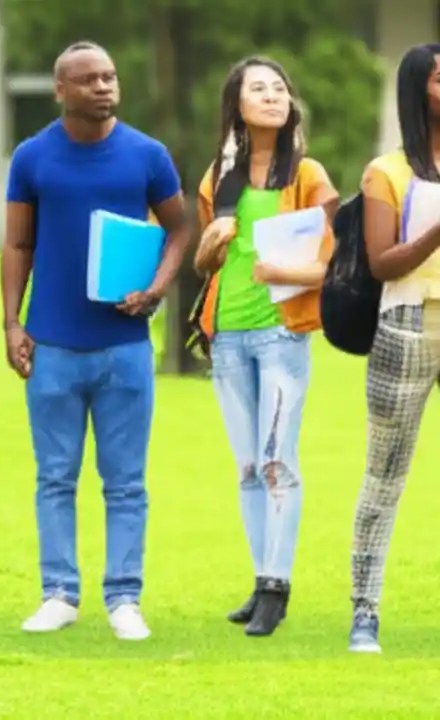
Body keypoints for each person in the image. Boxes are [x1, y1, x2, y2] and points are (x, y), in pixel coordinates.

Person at [2, 41, 189, 641]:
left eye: (110, 76)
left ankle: (124, 598)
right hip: (52, 346)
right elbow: (18, 245)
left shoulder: (147, 155)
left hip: (126, 347)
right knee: (55, 476)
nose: (104, 86)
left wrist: (156, 289)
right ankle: (59, 592)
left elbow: (182, 230)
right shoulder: (32, 158)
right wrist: (12, 322)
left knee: (126, 481)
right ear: (62, 90)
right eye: (89, 79)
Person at [191, 57, 337, 638]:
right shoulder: (217, 180)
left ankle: (278, 586)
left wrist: (286, 270)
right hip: (227, 335)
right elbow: (208, 267)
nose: (273, 95)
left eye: (279, 88)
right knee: (249, 467)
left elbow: (332, 260)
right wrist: (209, 247)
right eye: (259, 88)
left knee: (279, 461)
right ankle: (258, 581)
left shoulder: (307, 175)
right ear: (238, 105)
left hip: (281, 333)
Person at [348, 42, 440, 655]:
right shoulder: (389, 171)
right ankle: (365, 612)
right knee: (385, 476)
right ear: (418, 89)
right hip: (408, 326)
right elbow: (382, 262)